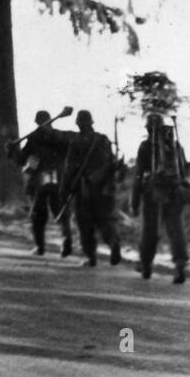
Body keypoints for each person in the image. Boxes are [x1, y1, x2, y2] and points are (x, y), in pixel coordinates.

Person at [130, 113, 190, 284]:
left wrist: (134, 201)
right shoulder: (176, 146)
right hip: (174, 192)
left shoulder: (146, 146)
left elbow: (138, 175)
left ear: (148, 128)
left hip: (153, 193)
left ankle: (146, 264)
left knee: (150, 230)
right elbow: (184, 171)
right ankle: (180, 266)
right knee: (175, 230)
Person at [60, 109, 122, 268]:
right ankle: (113, 242)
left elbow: (69, 168)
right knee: (105, 221)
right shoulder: (103, 140)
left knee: (84, 224)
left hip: (85, 189)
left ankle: (91, 257)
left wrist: (65, 189)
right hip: (105, 190)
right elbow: (111, 162)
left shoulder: (76, 142)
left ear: (79, 123)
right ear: (91, 122)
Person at [11, 109, 72, 258]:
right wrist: (13, 150)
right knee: (50, 213)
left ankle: (49, 245)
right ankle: (54, 242)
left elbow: (21, 159)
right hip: (48, 180)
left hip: (49, 180)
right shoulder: (36, 138)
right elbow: (22, 159)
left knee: (47, 213)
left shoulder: (53, 137)